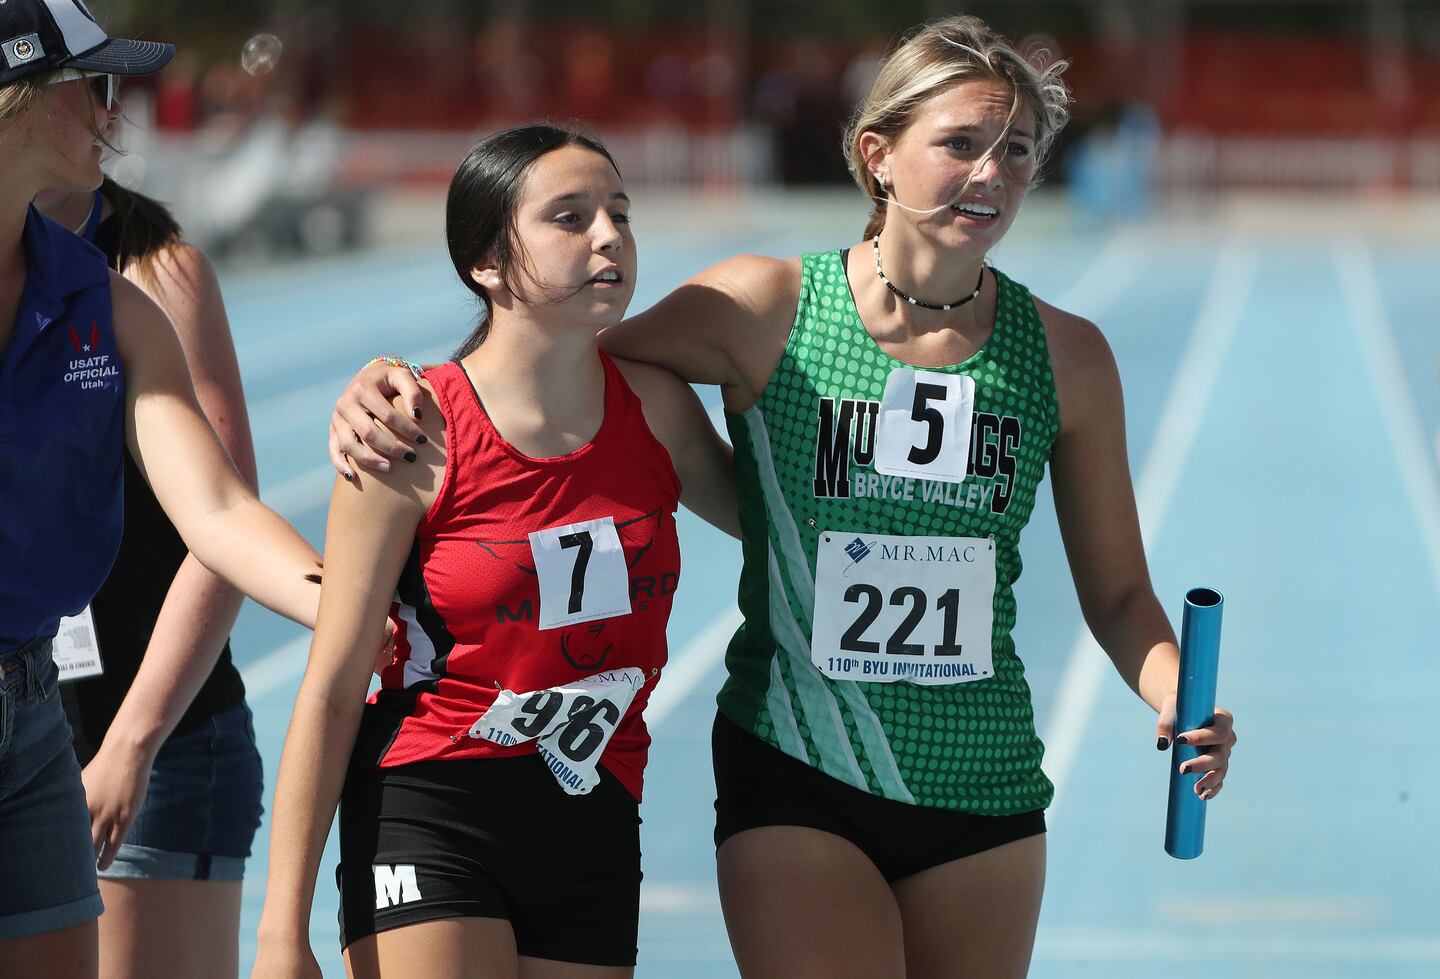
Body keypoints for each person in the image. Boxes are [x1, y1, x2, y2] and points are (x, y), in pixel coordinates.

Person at [330, 16, 1238, 978]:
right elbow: (556, 357)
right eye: (961, 144)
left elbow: (1121, 597)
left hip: (986, 781)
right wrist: (392, 385)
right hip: (797, 770)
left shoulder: (1068, 356)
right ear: (877, 155)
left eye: (1016, 151)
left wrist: (1180, 693)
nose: (992, 174)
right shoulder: (763, 309)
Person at [253, 124, 737, 979]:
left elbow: (780, 524)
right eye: (570, 216)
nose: (609, 237)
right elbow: (331, 686)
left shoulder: (657, 409)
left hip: (593, 808)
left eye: (620, 215)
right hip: (433, 801)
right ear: (486, 262)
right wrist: (279, 933)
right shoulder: (411, 430)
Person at [0, 4, 324, 974]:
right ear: (13, 98)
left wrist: (351, 598)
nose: (117, 111)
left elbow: (217, 508)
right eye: (93, 85)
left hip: (31, 717)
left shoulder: (108, 303)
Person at [34, 176, 262, 979]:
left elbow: (226, 528)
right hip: (24, 735)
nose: (109, 112)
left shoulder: (152, 273)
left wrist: (134, 742)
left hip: (147, 744)